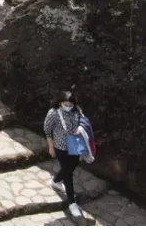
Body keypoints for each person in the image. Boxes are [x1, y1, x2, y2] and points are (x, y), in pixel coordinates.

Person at [44, 89, 87, 217]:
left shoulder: (76, 110)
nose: (68, 107)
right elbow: (47, 131)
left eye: (70, 105)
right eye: (65, 104)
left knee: (72, 167)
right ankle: (71, 202)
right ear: (60, 102)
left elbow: (82, 122)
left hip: (74, 144)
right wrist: (51, 147)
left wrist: (79, 129)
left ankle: (56, 180)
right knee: (68, 174)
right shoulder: (53, 113)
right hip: (61, 147)